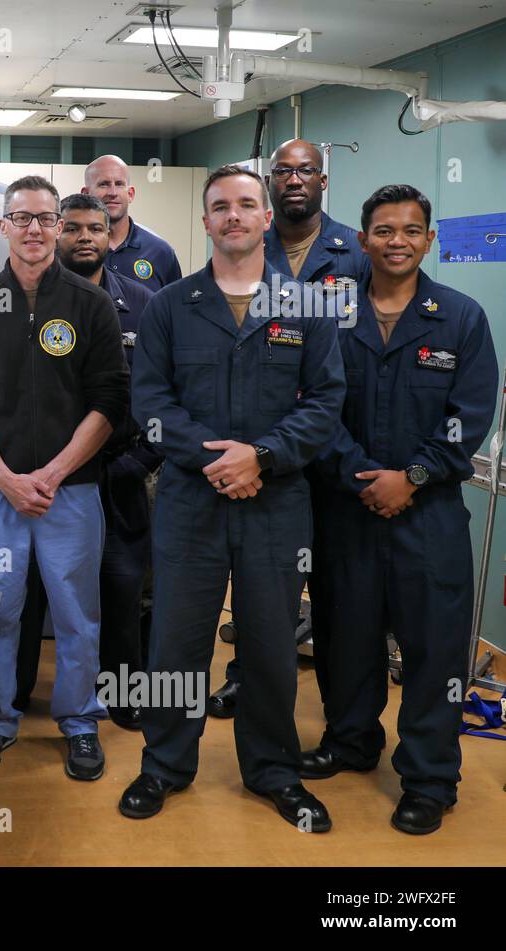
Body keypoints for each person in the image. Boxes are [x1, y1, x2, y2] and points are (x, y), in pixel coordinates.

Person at [119, 165, 345, 830]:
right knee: (176, 641)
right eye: (221, 207)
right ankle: (164, 764)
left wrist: (264, 456)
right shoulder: (169, 308)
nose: (235, 217)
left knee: (272, 643)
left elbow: (328, 401)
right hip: (192, 500)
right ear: (206, 220)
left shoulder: (308, 307)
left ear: (266, 215)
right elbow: (151, 403)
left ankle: (274, 770)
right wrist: (219, 461)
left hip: (276, 503)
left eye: (247, 205)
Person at [306, 184, 497, 834]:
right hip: (348, 511)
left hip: (430, 518)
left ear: (429, 240)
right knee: (345, 637)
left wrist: (410, 477)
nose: (397, 241)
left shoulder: (461, 318)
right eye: (384, 230)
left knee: (435, 652)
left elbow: (467, 418)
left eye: (411, 230)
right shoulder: (330, 318)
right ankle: (351, 742)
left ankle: (429, 778)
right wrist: (367, 477)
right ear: (363, 241)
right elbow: (314, 409)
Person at [0, 175, 129, 780]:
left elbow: (110, 401)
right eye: (21, 218)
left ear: (58, 226)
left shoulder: (90, 305)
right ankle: (0, 722)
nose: (34, 229)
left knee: (77, 613)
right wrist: (5, 479)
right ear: (3, 227)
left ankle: (79, 723)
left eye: (45, 218)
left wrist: (50, 474)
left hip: (69, 494)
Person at [210, 138, 369, 719]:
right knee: (257, 585)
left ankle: (339, 712)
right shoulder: (249, 240)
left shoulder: (353, 250)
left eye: (306, 171)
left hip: (331, 440)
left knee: (333, 586)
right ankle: (244, 680)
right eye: (283, 171)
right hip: (258, 446)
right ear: (271, 186)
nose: (295, 179)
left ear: (323, 181)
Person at [57, 193, 159, 731]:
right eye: (72, 228)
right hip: (55, 473)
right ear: (56, 234)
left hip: (122, 469)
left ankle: (125, 691)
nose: (84, 238)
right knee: (52, 587)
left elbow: (169, 391)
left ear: (109, 234)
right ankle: (36, 690)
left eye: (94, 228)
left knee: (124, 586)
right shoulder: (35, 301)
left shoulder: (144, 303)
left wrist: (142, 460)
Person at [82, 154, 183, 293]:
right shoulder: (70, 251)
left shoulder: (160, 252)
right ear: (85, 194)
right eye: (103, 184)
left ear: (130, 194)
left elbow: (176, 308)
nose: (112, 192)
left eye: (119, 184)